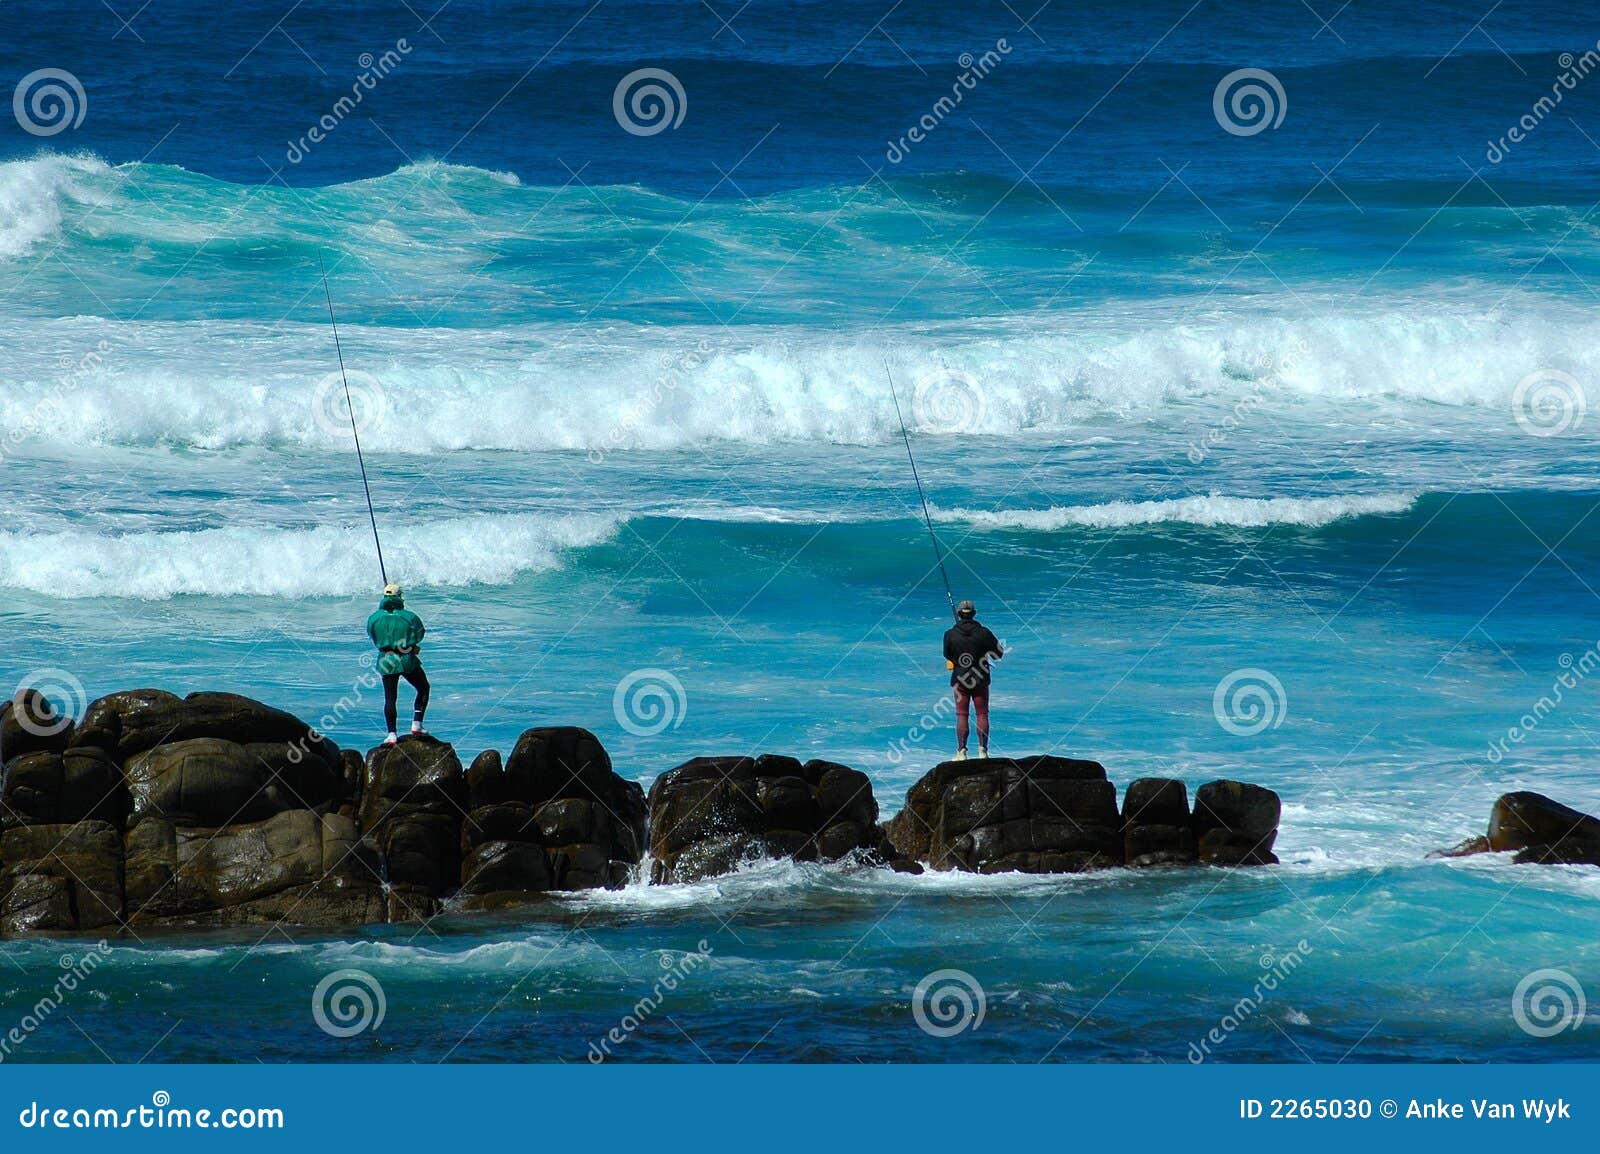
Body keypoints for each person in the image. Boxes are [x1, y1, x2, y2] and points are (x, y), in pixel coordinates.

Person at [366, 583, 429, 745]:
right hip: (406, 660)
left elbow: (372, 635)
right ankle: (417, 724)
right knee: (423, 687)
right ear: (400, 597)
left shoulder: (374, 618)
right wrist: (410, 646)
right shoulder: (409, 616)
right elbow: (419, 633)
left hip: (386, 660)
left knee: (390, 698)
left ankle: (392, 734)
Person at [943, 599, 1002, 760]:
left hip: (960, 679)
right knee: (982, 713)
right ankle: (983, 750)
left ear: (959, 614)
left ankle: (961, 751)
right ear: (974, 614)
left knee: (962, 714)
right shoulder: (984, 633)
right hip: (981, 678)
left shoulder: (950, 634)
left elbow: (947, 654)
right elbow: (998, 654)